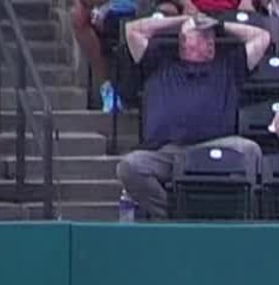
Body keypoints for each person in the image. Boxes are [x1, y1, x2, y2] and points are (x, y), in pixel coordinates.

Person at [115, 13, 270, 220]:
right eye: (204, 36)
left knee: (250, 150)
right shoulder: (159, 64)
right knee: (129, 166)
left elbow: (263, 37)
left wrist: (221, 24)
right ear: (184, 41)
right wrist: (181, 20)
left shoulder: (229, 67)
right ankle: (174, 214)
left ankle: (240, 215)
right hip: (169, 153)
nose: (211, 41)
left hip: (216, 148)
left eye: (213, 37)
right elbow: (131, 30)